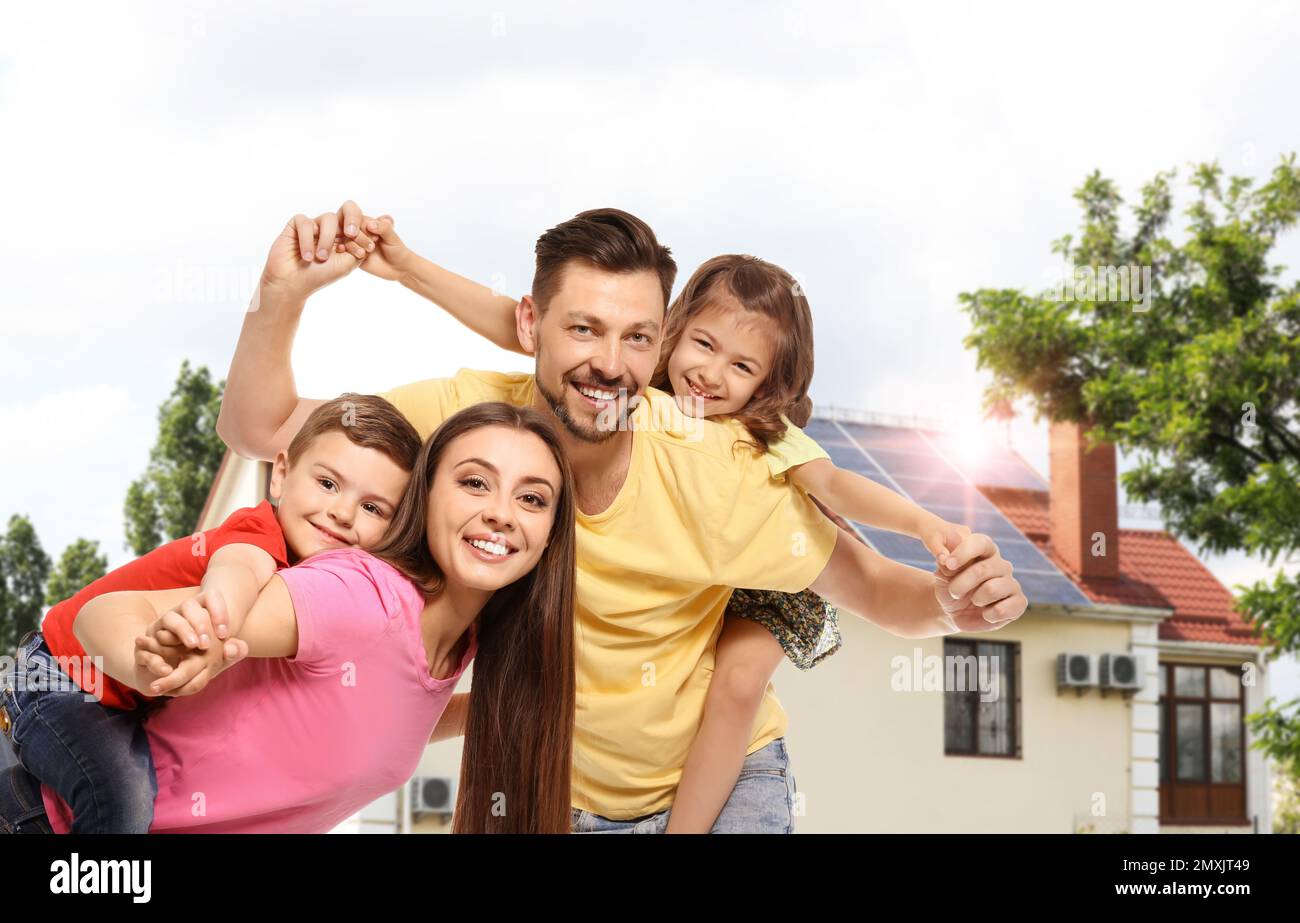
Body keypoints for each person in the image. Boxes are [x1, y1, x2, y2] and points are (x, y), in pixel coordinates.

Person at [216, 202, 1028, 833]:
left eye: (637, 336)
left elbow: (879, 589)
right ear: (532, 325)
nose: (610, 362)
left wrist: (955, 600)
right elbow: (263, 427)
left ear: (660, 343)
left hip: (726, 789)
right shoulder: (467, 425)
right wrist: (277, 297)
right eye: (584, 329)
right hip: (557, 796)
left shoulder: (717, 473)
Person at [0, 402, 577, 834]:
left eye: (532, 498)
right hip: (41, 801)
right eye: (475, 482)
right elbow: (111, 612)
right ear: (428, 502)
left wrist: (521, 706)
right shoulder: (350, 592)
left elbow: (387, 707)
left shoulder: (466, 640)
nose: (501, 514)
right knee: (120, 799)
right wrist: (171, 647)